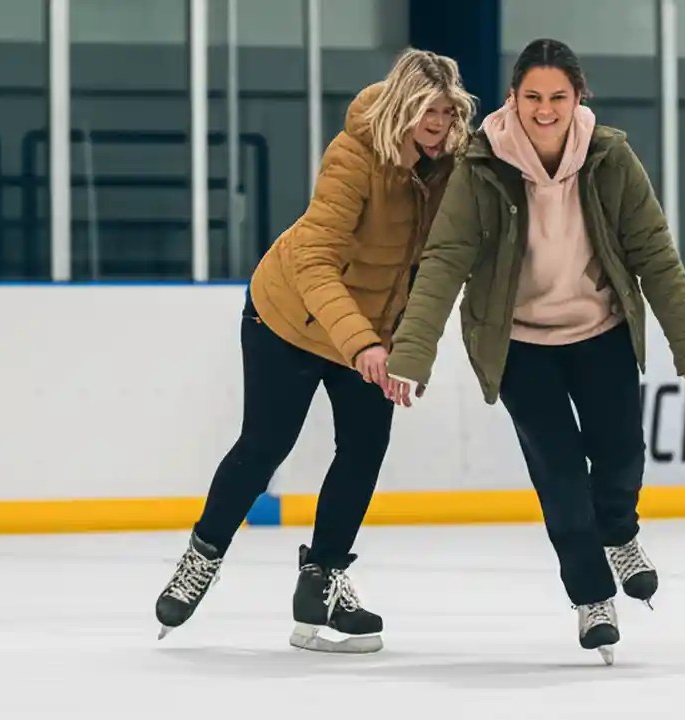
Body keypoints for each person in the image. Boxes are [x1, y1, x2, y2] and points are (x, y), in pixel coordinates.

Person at [385, 38, 685, 663]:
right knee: (560, 475)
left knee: (621, 457)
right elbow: (445, 261)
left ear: (577, 97)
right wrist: (412, 353)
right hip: (519, 345)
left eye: (557, 97)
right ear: (513, 99)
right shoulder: (480, 166)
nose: (544, 109)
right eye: (532, 97)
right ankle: (592, 597)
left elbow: (655, 256)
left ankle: (618, 531)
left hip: (602, 332)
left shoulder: (611, 159)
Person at [153, 48, 475, 654]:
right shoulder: (352, 156)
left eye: (445, 110)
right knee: (266, 442)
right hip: (290, 316)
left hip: (371, 331)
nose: (436, 122)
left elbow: (433, 267)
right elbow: (313, 261)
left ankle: (323, 575)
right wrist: (360, 345)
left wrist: (406, 349)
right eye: (426, 110)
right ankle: (202, 556)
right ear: (401, 106)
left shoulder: (445, 169)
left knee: (365, 445)